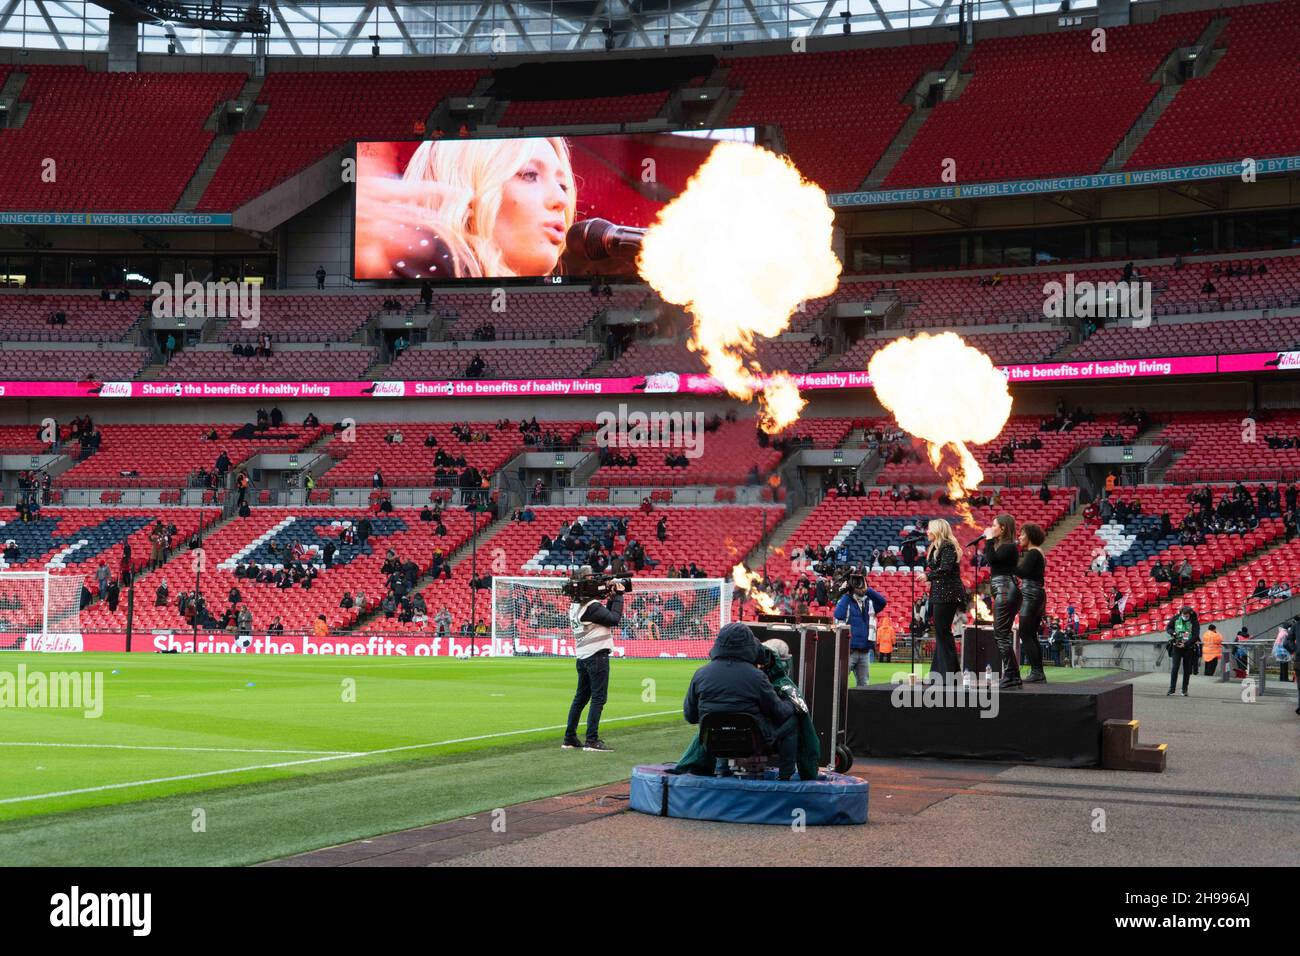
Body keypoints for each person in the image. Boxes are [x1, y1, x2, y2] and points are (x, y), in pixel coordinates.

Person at [358, 137, 578, 280]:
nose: (561, 199)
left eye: (563, 185)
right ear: (468, 186)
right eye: (530, 175)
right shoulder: (428, 260)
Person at [679, 623, 800, 780]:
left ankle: (721, 770)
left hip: (713, 743)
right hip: (754, 743)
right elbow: (780, 714)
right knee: (794, 719)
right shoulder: (757, 677)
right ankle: (786, 777)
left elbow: (690, 716)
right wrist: (791, 703)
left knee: (719, 724)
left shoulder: (700, 674)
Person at [561, 569, 625, 752]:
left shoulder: (576, 606)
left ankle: (570, 737)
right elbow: (613, 619)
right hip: (596, 656)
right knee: (598, 698)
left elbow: (604, 617)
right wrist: (619, 596)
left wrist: (612, 598)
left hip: (583, 656)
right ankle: (592, 740)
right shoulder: (592, 606)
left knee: (580, 698)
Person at [980, 513, 1021, 688]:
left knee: (1001, 634)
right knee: (1001, 634)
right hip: (1003, 589)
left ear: (1003, 528)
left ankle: (1011, 675)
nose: (992, 527)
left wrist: (988, 540)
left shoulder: (1009, 546)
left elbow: (992, 559)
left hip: (1005, 589)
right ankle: (1013, 674)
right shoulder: (1004, 546)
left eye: (994, 525)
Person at [924, 518, 963, 680]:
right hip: (939, 594)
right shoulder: (937, 546)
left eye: (929, 529)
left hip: (947, 595)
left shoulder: (947, 545)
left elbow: (945, 569)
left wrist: (928, 576)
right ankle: (940, 673)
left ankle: (949, 675)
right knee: (941, 633)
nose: (927, 532)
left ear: (937, 530)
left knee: (943, 633)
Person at [834, 572, 887, 687]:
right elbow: (838, 615)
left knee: (864, 686)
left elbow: (883, 602)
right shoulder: (846, 600)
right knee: (839, 683)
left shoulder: (870, 603)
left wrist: (867, 590)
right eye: (856, 583)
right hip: (848, 651)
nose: (859, 585)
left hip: (864, 652)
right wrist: (847, 593)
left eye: (861, 582)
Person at [1015, 522, 1049, 683]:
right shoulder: (1038, 552)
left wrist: (1008, 563)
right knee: (1031, 634)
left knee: (1025, 633)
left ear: (1029, 536)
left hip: (1031, 594)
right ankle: (1038, 672)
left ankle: (1037, 672)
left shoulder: (1033, 553)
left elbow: (1022, 572)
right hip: (1036, 593)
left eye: (1022, 534)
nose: (1019, 537)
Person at [1165, 606, 1200, 697]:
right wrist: (1173, 632)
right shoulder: (1176, 618)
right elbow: (1168, 628)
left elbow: (1196, 636)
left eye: (1187, 615)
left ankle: (1184, 689)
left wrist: (1186, 644)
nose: (1185, 616)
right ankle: (1172, 689)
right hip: (1176, 646)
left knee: (1187, 669)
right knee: (1175, 667)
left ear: (1190, 614)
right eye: (1183, 615)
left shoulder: (1194, 621)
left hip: (1188, 647)